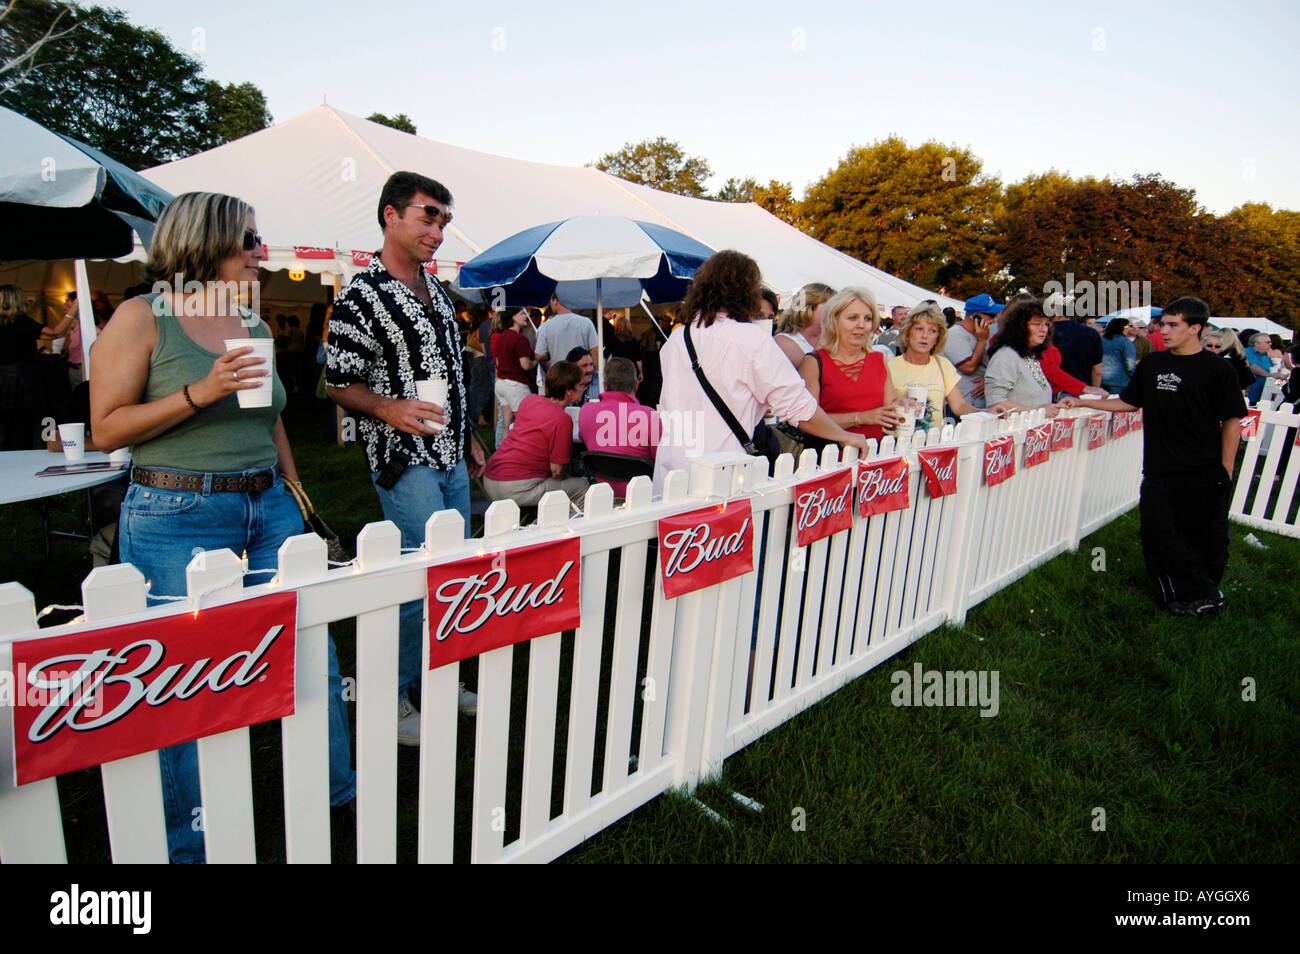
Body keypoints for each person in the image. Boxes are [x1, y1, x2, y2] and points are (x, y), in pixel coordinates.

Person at [89, 191, 356, 862]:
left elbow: (267, 417)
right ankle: (191, 844)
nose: (259, 255)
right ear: (204, 244)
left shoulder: (252, 323)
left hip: (266, 504)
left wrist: (294, 493)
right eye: (249, 243)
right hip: (177, 512)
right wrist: (197, 393)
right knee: (184, 681)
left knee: (311, 656)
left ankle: (334, 802)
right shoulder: (140, 317)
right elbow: (105, 429)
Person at [326, 170, 486, 742]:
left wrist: (466, 432)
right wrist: (390, 409)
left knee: (453, 575)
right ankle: (388, 694)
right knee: (417, 577)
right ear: (390, 215)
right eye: (428, 216)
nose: (439, 230)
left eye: (444, 219)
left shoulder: (436, 288)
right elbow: (338, 382)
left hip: (449, 453)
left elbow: (450, 369)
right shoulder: (361, 295)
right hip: (402, 457)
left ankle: (437, 679)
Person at [1062, 297, 1245, 616]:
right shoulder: (1153, 364)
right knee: (1157, 531)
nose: (1164, 330)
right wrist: (1082, 403)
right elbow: (1130, 403)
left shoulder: (1218, 369)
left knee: (1204, 535)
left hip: (1204, 469)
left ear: (1195, 328)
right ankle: (1179, 592)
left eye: (1174, 325)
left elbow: (1232, 420)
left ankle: (1204, 593)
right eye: (1163, 324)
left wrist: (1226, 469)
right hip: (1160, 467)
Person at [654, 251, 871, 490]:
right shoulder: (750, 339)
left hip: (671, 474)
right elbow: (798, 406)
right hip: (720, 479)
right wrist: (842, 435)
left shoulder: (677, 339)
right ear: (747, 293)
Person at [798, 287, 903, 442]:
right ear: (834, 321)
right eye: (853, 318)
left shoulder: (879, 360)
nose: (861, 325)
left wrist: (903, 407)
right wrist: (861, 418)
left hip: (875, 455)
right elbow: (806, 420)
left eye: (867, 318)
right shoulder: (814, 362)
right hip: (829, 458)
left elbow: (890, 417)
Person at [483, 361, 589, 506]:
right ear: (569, 391)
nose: (585, 388)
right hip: (516, 486)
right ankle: (566, 527)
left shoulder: (530, 400)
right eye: (582, 385)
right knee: (583, 487)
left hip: (490, 477)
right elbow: (556, 471)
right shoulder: (562, 419)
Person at [888, 302, 1001, 429]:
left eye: (932, 331)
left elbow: (959, 407)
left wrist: (988, 412)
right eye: (919, 329)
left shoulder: (942, 365)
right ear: (908, 333)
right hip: (895, 441)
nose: (925, 336)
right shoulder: (889, 367)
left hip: (932, 443)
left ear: (938, 338)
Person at [578, 356, 658, 496]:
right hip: (642, 497)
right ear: (636, 385)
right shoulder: (650, 416)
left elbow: (585, 440)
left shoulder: (586, 411)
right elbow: (660, 459)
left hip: (601, 494)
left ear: (605, 385)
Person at [984, 298, 1063, 414]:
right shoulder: (1006, 356)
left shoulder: (1031, 356)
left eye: (1046, 324)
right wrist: (1039, 411)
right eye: (1037, 324)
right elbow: (996, 403)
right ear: (1020, 327)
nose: (1044, 329)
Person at [0, 284, 45, 450]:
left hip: (3, 380)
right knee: (23, 426)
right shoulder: (22, 322)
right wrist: (72, 313)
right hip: (22, 380)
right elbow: (55, 333)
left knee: (7, 427)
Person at [944, 293, 1000, 408]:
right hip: (960, 406)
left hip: (977, 404)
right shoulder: (955, 334)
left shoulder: (980, 334)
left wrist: (987, 380)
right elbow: (969, 367)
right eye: (991, 316)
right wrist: (982, 341)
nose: (993, 320)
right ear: (975, 316)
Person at [491, 307, 536, 443]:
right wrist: (537, 360)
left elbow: (498, 362)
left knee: (506, 424)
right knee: (526, 423)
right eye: (522, 313)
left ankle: (502, 456)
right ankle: (523, 455)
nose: (525, 316)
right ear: (513, 318)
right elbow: (525, 365)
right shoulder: (519, 338)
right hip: (516, 384)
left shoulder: (500, 337)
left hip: (501, 383)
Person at [534, 292, 598, 381]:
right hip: (581, 375)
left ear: (555, 301)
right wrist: (593, 374)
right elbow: (595, 351)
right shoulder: (586, 322)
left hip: (559, 376)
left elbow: (539, 355)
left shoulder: (546, 326)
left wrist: (550, 361)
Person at [774, 282, 834, 368]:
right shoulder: (783, 341)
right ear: (810, 307)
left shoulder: (830, 343)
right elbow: (814, 372)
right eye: (829, 306)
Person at [1099, 318, 1138, 393]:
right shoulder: (1125, 342)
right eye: (1127, 327)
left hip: (1101, 379)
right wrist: (1133, 377)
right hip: (1120, 380)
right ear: (1121, 328)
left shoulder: (1101, 340)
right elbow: (1130, 364)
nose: (1128, 329)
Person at [1243, 333, 1276, 403]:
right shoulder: (1246, 352)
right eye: (1267, 342)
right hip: (1248, 394)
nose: (1270, 344)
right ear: (1256, 344)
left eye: (1270, 342)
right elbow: (1251, 367)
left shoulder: (1265, 356)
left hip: (1262, 396)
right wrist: (1270, 375)